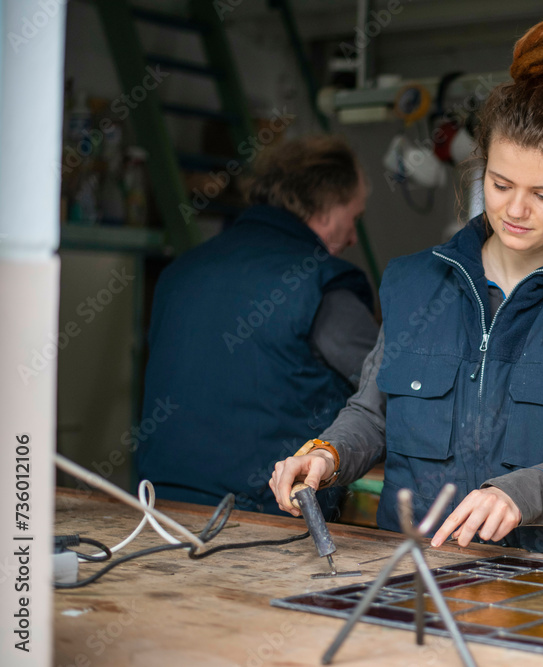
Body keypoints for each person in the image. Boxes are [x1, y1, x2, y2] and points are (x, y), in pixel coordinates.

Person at [270, 17, 543, 562]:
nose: (515, 209)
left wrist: (524, 494)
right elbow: (372, 414)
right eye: (501, 184)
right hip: (417, 570)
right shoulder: (417, 284)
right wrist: (326, 456)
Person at [136, 136, 378, 518]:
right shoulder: (321, 285)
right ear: (329, 207)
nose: (352, 237)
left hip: (156, 509)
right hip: (267, 521)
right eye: (355, 218)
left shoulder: (179, 272)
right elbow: (392, 389)